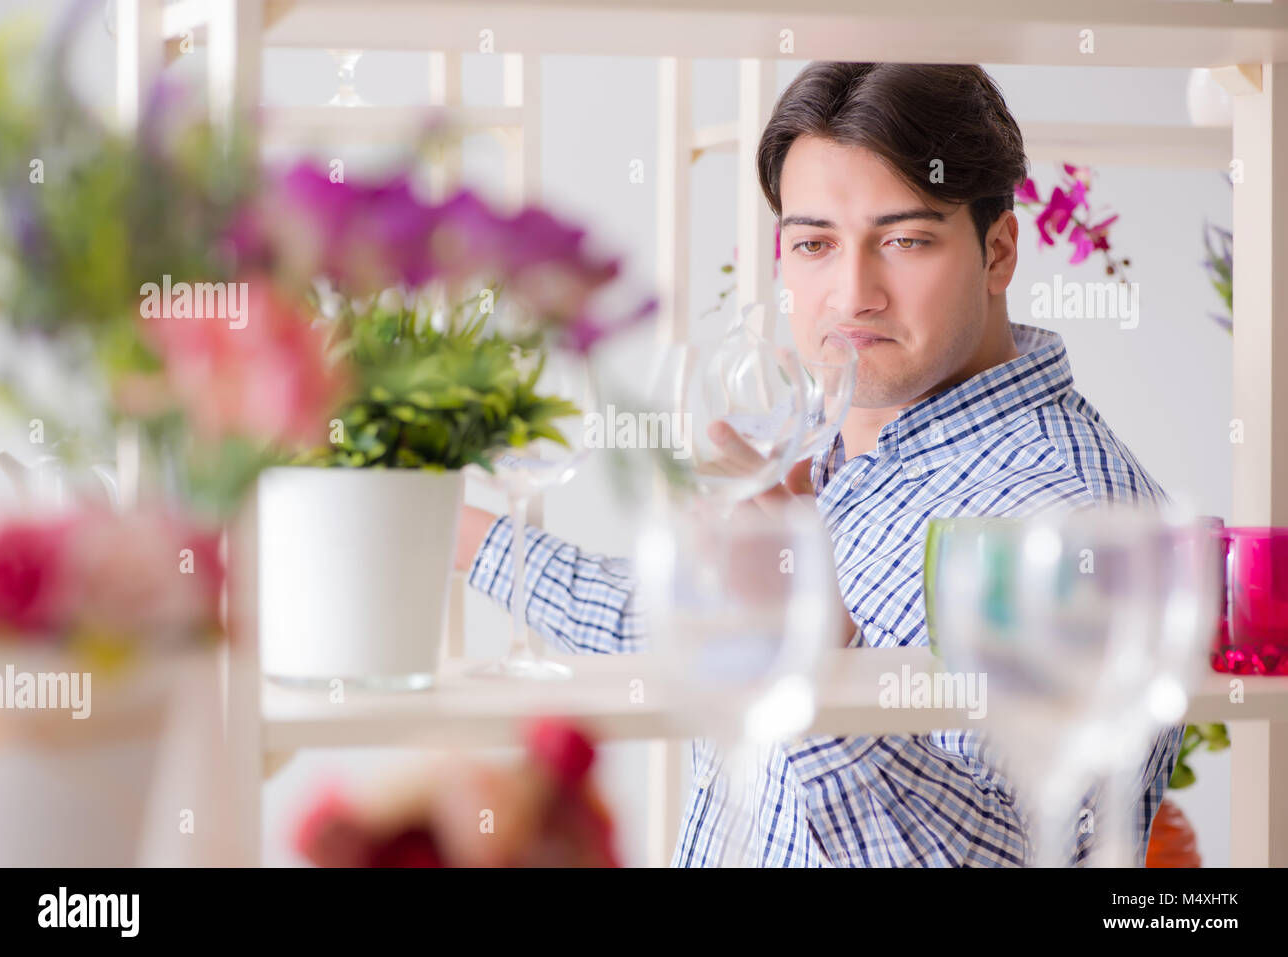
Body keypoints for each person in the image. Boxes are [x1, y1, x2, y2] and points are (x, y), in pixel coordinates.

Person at [455, 62, 1183, 867]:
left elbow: (1012, 855)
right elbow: (681, 626)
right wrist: (463, 536)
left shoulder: (1070, 514)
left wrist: (824, 667)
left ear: (999, 250)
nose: (851, 293)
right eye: (814, 243)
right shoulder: (843, 456)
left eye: (905, 239)